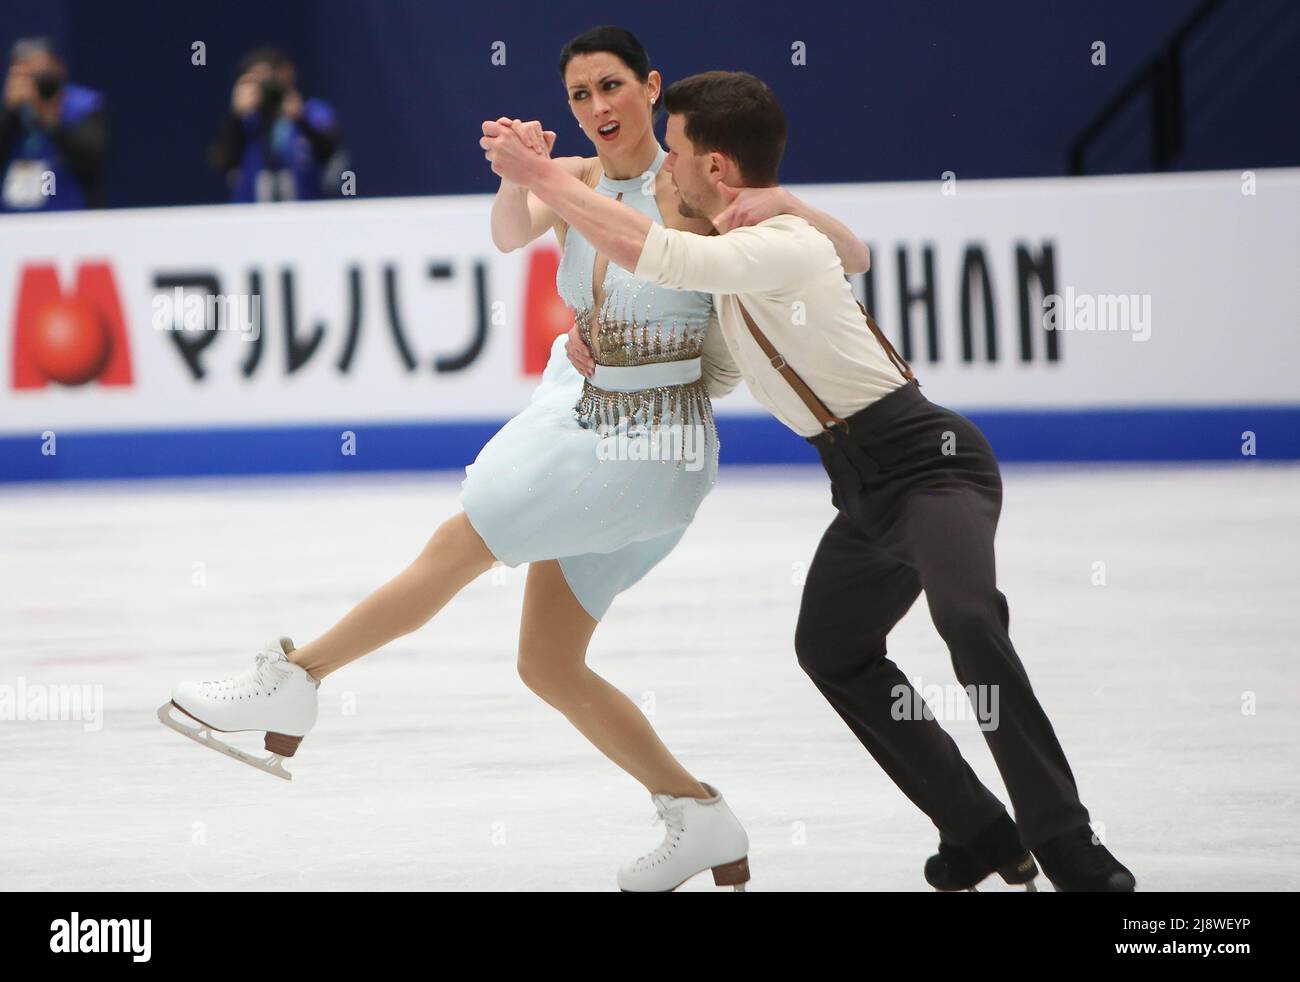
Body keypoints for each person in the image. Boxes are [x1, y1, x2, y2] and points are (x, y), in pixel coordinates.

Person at [162, 28, 869, 893]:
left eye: (611, 86)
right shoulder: (571, 177)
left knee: (460, 541)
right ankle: (698, 817)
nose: (597, 107)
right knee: (549, 662)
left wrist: (783, 201)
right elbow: (508, 235)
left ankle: (298, 677)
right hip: (604, 425)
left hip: (643, 439)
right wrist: (520, 177)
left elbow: (848, 257)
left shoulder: (692, 187)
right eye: (579, 95)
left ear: (651, 88)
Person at [483, 69, 1137, 892]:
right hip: (861, 490)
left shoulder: (778, 245)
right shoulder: (741, 259)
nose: (665, 171)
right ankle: (977, 829)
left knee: (966, 618)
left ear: (714, 168)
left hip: (930, 465)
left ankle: (1073, 849)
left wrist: (541, 176)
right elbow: (707, 365)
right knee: (832, 647)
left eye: (675, 153)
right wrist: (609, 349)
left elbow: (651, 249)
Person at [209, 46, 344, 202]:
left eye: (269, 79)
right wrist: (236, 117)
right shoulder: (245, 122)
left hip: (307, 215)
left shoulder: (313, 112)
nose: (265, 88)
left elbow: (331, 155)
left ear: (287, 73)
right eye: (256, 82)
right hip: (250, 217)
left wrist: (300, 120)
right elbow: (222, 162)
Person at [0, 37, 107, 212]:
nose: (34, 84)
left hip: (71, 221)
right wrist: (7, 113)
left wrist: (49, 117)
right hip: (12, 226)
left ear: (58, 69)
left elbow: (90, 158)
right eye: (26, 76)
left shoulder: (83, 107)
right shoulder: (12, 114)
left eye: (40, 75)